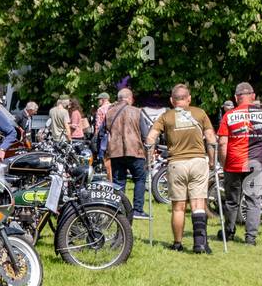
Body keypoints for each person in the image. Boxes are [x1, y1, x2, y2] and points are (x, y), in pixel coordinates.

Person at [146, 84, 217, 254]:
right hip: (198, 161)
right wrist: (212, 160)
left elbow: (150, 138)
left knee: (178, 207)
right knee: (198, 202)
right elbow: (211, 138)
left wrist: (149, 160)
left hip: (176, 163)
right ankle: (199, 243)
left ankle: (177, 244)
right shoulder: (200, 113)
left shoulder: (165, 116)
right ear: (189, 98)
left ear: (172, 100)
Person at [216, 81, 262, 246]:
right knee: (253, 201)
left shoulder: (228, 115)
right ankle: (250, 238)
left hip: (233, 164)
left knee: (231, 201)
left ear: (236, 98)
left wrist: (223, 162)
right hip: (257, 165)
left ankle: (228, 232)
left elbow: (222, 143)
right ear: (253, 96)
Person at [104, 88, 148, 219]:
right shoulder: (137, 111)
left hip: (116, 152)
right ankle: (138, 210)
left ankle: (119, 209)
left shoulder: (109, 113)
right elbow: (145, 134)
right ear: (129, 98)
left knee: (119, 182)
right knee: (140, 179)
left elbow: (102, 132)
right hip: (135, 151)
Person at [93, 92, 112, 179]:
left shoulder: (100, 110)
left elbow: (98, 125)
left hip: (104, 136)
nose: (98, 102)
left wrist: (95, 137)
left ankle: (108, 177)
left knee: (105, 156)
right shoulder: (113, 107)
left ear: (103, 99)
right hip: (114, 136)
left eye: (99, 100)